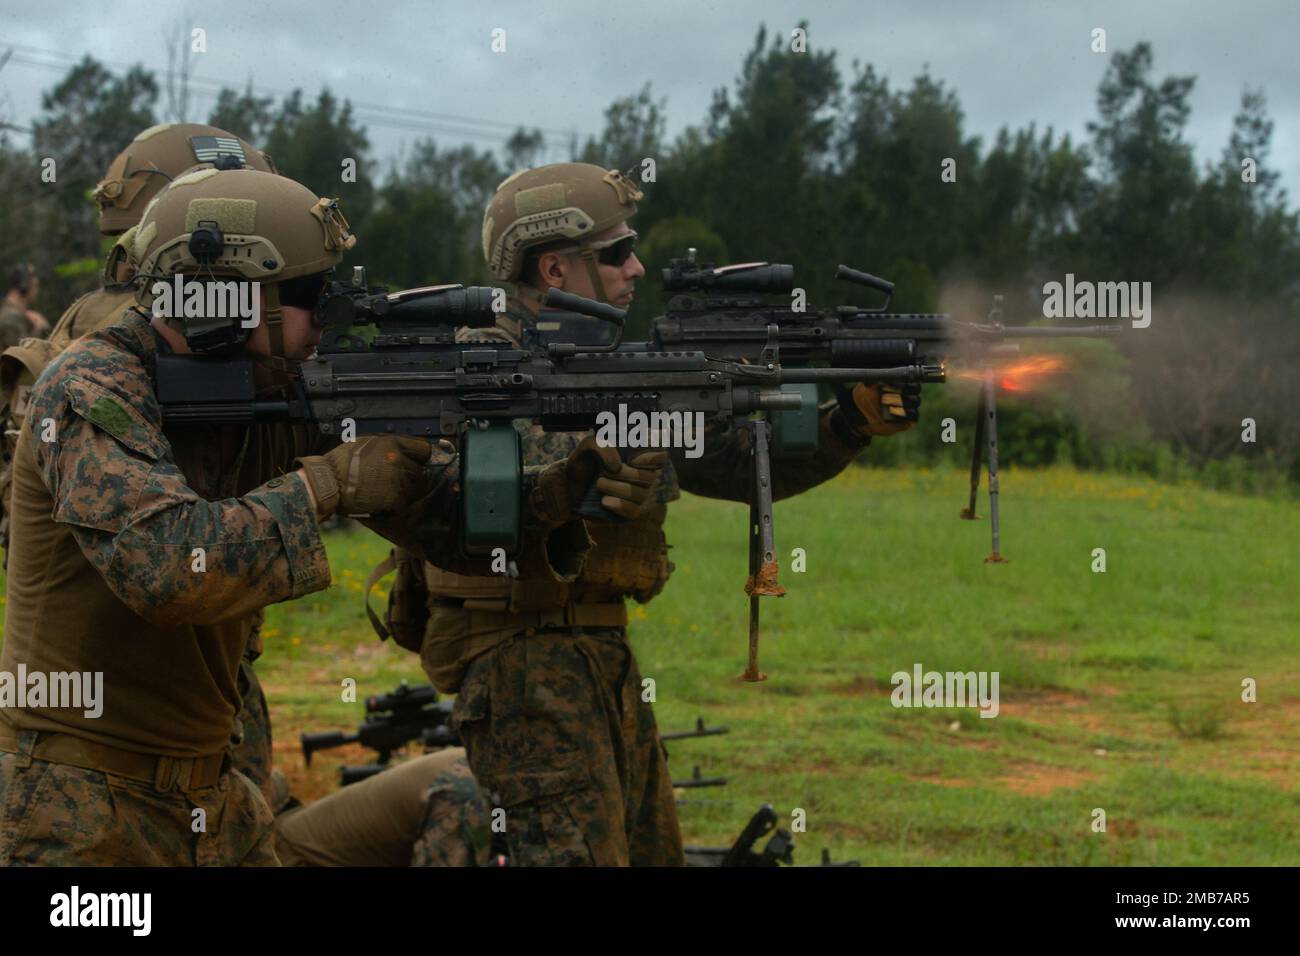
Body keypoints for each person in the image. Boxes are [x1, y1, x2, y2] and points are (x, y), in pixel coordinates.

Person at [404, 163, 921, 866]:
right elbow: (464, 495)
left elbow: (736, 462)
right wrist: (594, 458)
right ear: (555, 268)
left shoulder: (611, 369)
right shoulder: (479, 364)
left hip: (601, 660)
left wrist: (848, 423)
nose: (635, 268)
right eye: (616, 253)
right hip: (520, 667)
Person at [0, 168, 437, 866]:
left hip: (213, 801)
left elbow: (434, 514)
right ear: (229, 296)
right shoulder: (89, 387)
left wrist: (542, 483)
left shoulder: (272, 387)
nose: (328, 318)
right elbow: (169, 570)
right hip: (79, 811)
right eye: (308, 296)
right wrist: (327, 486)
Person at [0, 264, 47, 350]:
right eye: (35, 285)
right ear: (24, 286)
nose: (37, 290)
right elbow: (20, 355)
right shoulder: (11, 316)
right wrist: (39, 328)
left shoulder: (13, 312)